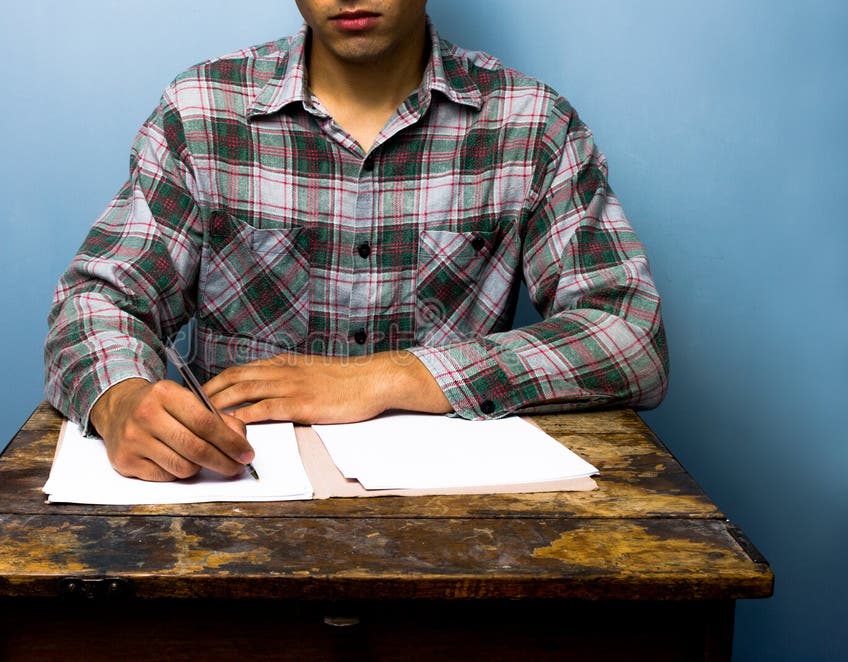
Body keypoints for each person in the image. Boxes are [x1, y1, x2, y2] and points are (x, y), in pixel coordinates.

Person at [45, 0, 668, 482]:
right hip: (237, 498)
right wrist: (120, 398)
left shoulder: (532, 125)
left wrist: (383, 379)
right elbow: (95, 302)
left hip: (461, 522)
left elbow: (628, 335)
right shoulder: (202, 112)